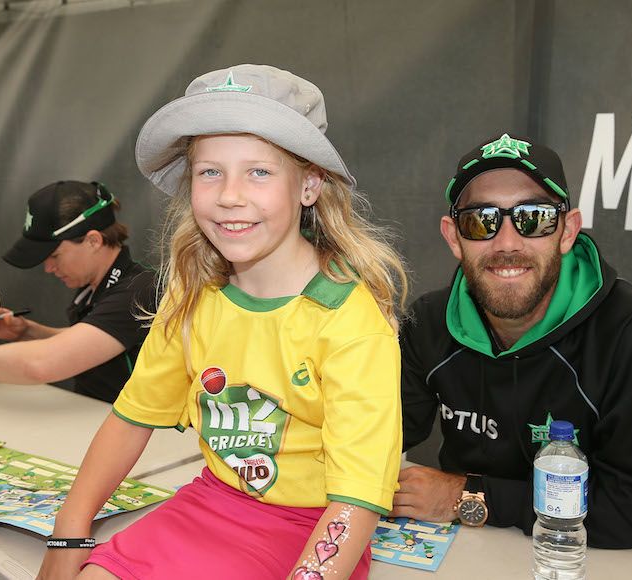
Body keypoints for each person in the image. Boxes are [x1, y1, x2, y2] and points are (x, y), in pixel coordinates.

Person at [38, 64, 409, 580]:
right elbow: (131, 418)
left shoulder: (349, 321)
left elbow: (359, 500)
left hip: (315, 530)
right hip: (210, 503)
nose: (230, 195)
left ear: (309, 185)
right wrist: (70, 527)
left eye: (259, 171)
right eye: (210, 172)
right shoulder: (192, 297)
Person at [395, 133, 632, 549]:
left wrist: (466, 496)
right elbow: (374, 439)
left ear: (568, 231)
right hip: (476, 549)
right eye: (481, 221)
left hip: (610, 557)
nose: (507, 243)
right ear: (453, 237)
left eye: (533, 218)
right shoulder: (428, 322)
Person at [0, 180, 156, 403]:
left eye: (54, 255)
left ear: (93, 241)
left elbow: (42, 363)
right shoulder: (96, 285)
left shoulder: (138, 291)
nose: (48, 268)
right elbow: (95, 341)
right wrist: (28, 331)